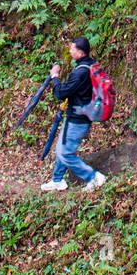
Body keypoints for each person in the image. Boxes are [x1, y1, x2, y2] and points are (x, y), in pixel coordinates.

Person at [41, 36, 107, 193]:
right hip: (79, 115)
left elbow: (60, 93)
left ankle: (93, 177)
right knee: (62, 148)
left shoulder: (80, 72)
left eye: (72, 49)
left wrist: (55, 77)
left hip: (78, 120)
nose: (69, 51)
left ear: (80, 52)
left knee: (65, 153)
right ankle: (57, 180)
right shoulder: (91, 65)